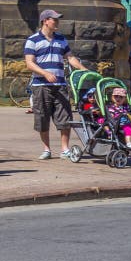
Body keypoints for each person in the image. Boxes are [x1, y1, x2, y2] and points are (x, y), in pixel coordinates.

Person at [24, 9, 87, 160]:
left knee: (65, 117)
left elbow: (70, 57)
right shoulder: (33, 40)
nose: (57, 22)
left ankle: (65, 149)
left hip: (60, 84)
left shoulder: (61, 39)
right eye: (54, 19)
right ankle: (47, 149)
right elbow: (29, 63)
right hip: (41, 86)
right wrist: (45, 73)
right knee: (42, 118)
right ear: (45, 21)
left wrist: (83, 69)